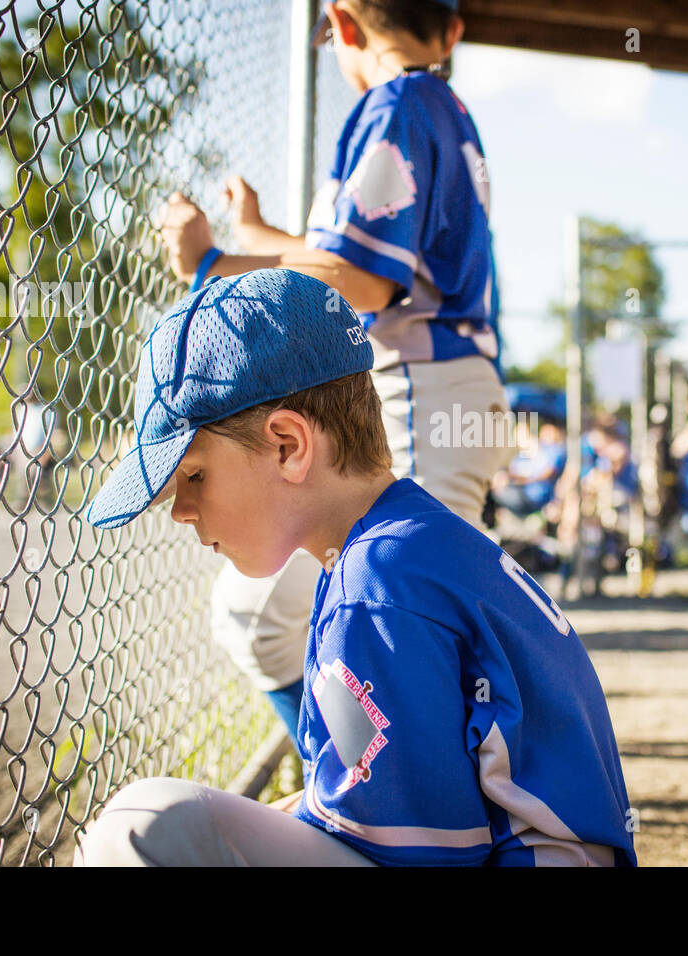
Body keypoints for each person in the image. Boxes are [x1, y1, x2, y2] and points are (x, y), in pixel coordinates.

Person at [73, 269, 636, 866]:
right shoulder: (408, 542)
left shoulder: (376, 587)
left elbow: (425, 855)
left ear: (288, 446)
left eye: (194, 477)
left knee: (149, 825)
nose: (180, 512)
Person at [158, 0, 512, 752]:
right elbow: (364, 256)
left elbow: (362, 281)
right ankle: (367, 800)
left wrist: (213, 266)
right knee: (385, 629)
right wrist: (258, 238)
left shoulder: (397, 106)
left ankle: (379, 817)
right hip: (444, 390)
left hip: (419, 391)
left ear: (345, 25)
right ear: (451, 30)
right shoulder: (436, 106)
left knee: (397, 631)